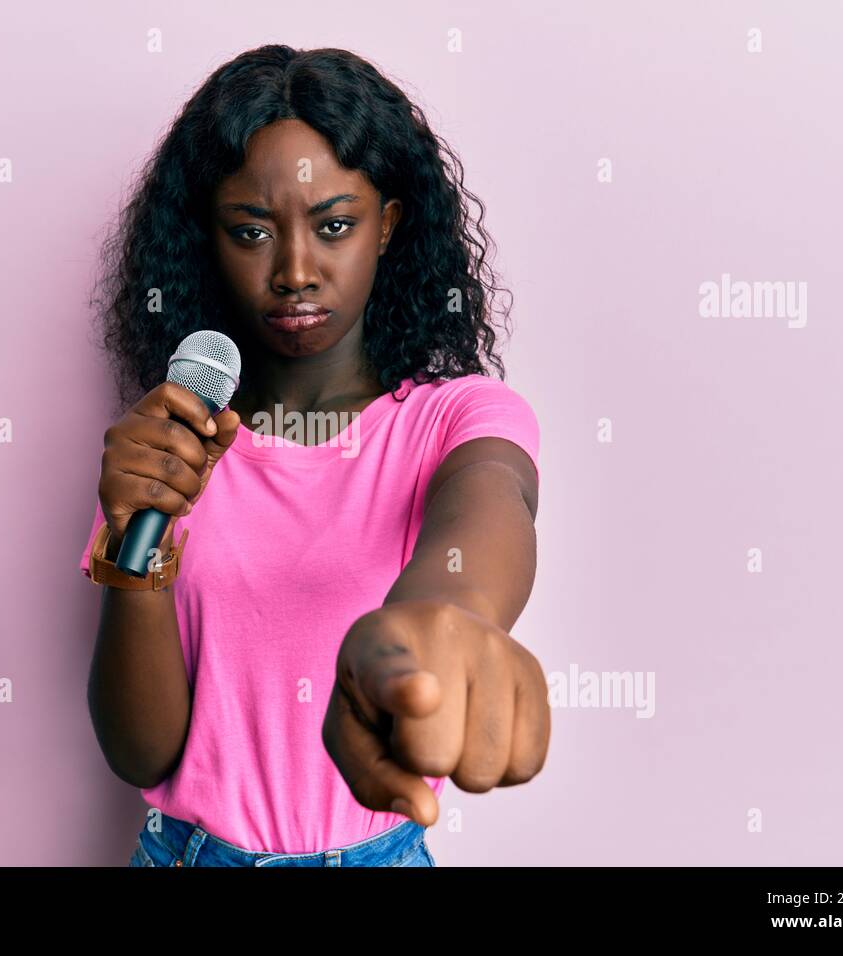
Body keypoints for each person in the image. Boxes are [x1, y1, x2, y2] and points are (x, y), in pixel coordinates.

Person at [80, 44, 548, 867]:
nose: (296, 271)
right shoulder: (168, 445)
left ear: (388, 226)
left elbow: (491, 497)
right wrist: (133, 548)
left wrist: (446, 619)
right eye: (252, 231)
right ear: (209, 240)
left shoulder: (454, 417)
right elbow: (141, 754)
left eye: (335, 225)